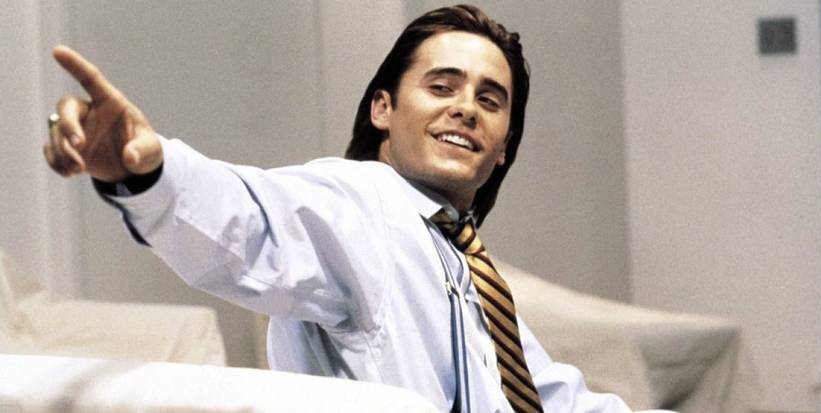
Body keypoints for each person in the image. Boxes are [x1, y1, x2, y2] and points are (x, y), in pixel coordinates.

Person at [43, 5, 668, 413]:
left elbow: (551, 398)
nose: (465, 108)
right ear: (383, 109)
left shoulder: (465, 265)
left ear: (504, 146)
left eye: (490, 99)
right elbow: (251, 223)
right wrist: (146, 173)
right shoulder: (360, 205)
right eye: (442, 86)